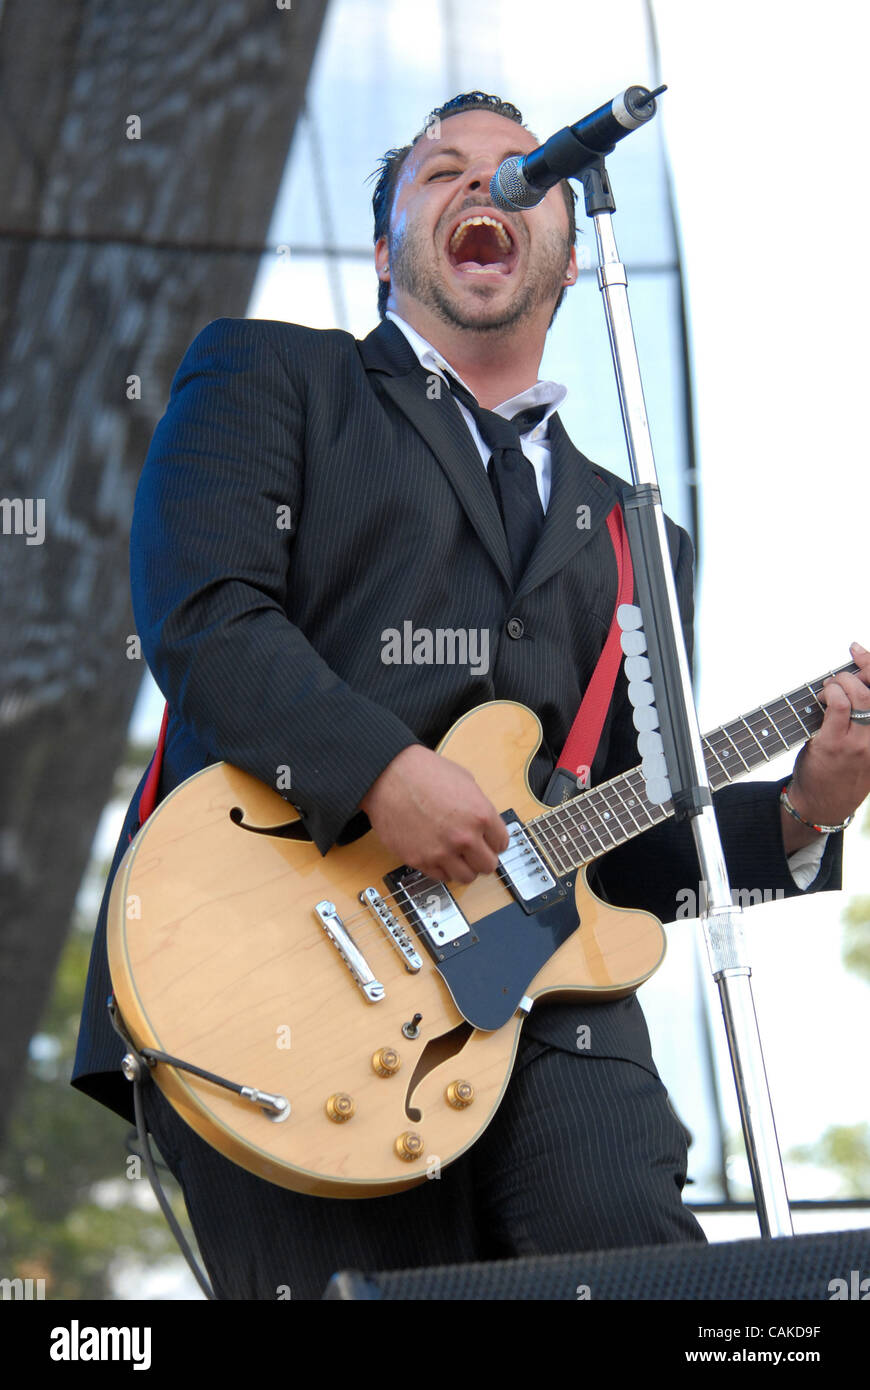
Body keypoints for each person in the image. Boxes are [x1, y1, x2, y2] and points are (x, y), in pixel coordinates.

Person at [73, 92, 870, 1300]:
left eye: (522, 174)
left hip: (546, 1006)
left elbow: (610, 834)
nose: (486, 187)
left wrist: (806, 812)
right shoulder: (276, 373)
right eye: (442, 172)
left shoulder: (639, 527)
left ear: (564, 245)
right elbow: (205, 619)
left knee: (642, 1266)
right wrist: (383, 774)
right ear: (389, 246)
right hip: (278, 957)